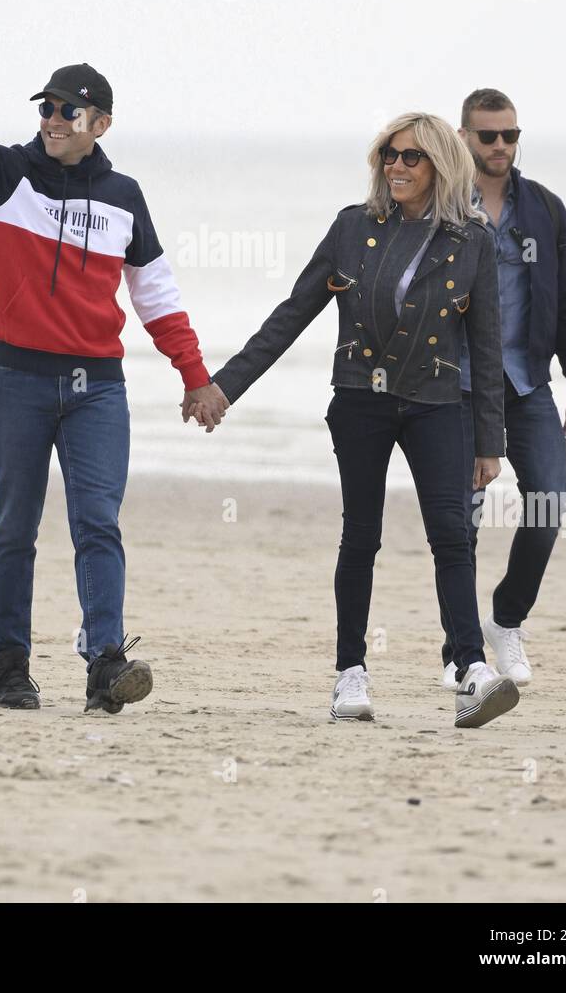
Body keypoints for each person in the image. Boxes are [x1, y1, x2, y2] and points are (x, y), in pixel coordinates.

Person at [0, 0, 228, 713]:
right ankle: (9, 669)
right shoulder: (5, 175)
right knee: (14, 526)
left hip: (97, 390)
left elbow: (157, 297)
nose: (52, 118)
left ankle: (105, 664)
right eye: (45, 106)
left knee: (96, 524)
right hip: (15, 380)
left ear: (100, 122)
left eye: (66, 109)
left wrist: (195, 376)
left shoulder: (123, 199)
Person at [196, 113, 521, 728]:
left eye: (412, 158)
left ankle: (472, 670)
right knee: (361, 535)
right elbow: (292, 314)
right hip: (360, 402)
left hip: (435, 403)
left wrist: (489, 441)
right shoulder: (352, 229)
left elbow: (486, 348)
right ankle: (351, 673)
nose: (397, 167)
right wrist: (224, 387)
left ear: (440, 167)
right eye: (389, 156)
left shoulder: (473, 241)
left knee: (451, 535)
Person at [437, 88, 566, 689]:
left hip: (527, 384)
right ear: (463, 138)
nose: (500, 146)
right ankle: (461, 651)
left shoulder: (545, 209)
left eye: (510, 135)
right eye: (487, 136)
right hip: (456, 386)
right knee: (460, 522)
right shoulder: (444, 208)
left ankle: (506, 619)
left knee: (550, 504)